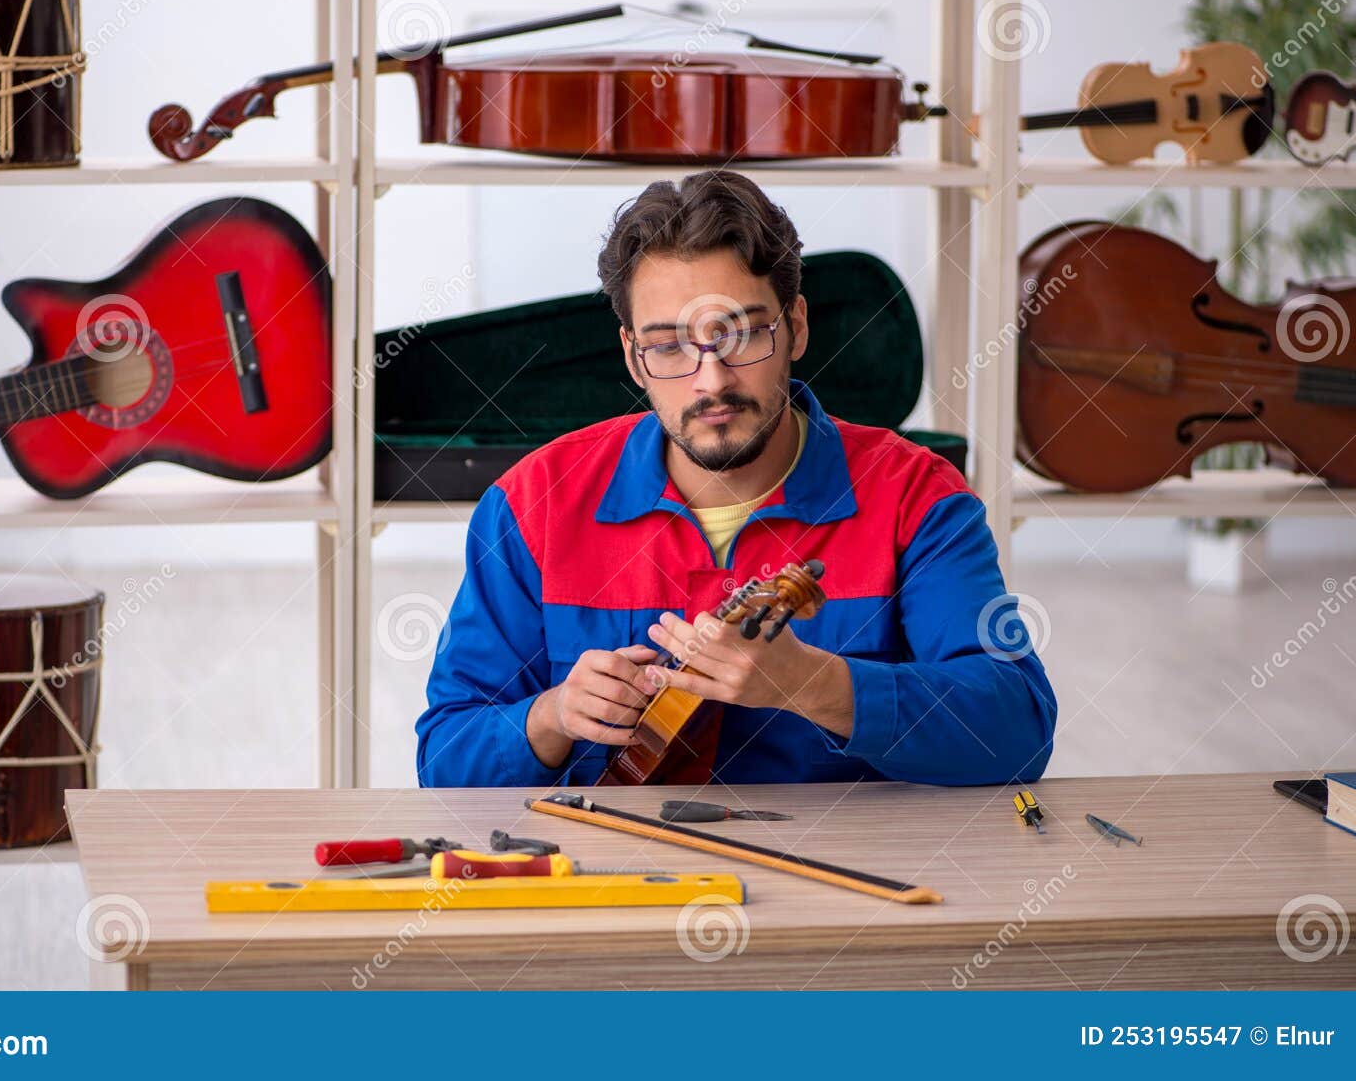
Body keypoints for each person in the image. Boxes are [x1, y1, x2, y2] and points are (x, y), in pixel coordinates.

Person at [417, 169, 1056, 787]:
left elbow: (1017, 726)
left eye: (743, 334)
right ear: (632, 359)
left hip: (845, 884)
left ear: (797, 327)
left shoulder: (919, 497)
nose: (712, 380)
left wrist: (814, 683)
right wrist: (551, 717)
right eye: (668, 345)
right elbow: (445, 757)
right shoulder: (533, 503)